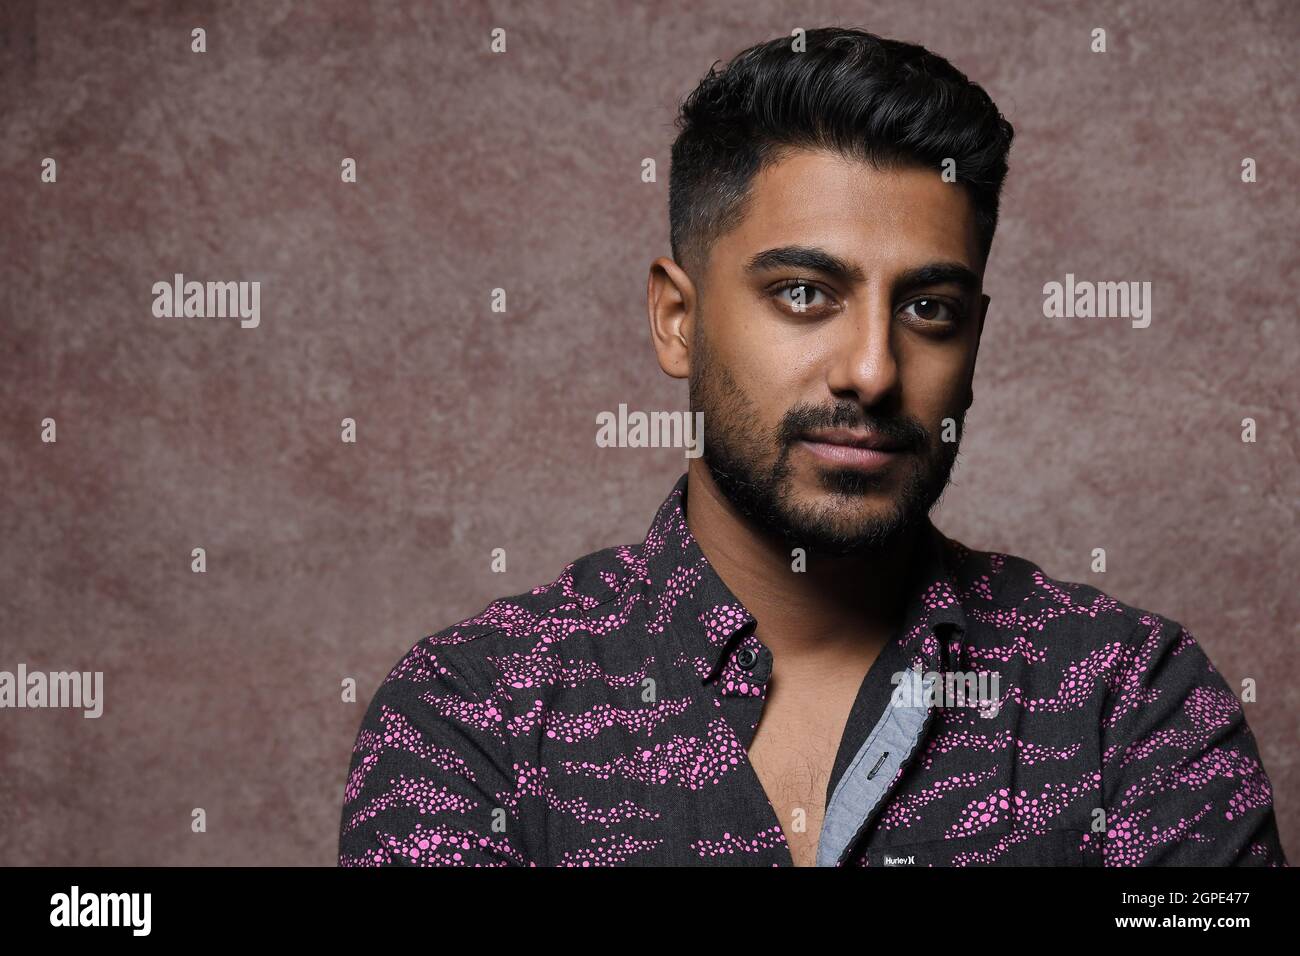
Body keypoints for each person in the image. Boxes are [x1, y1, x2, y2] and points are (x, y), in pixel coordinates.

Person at [338, 27, 1286, 866]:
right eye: (803, 292)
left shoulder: (1131, 707)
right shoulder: (475, 718)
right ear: (677, 320)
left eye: (929, 309)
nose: (872, 371)